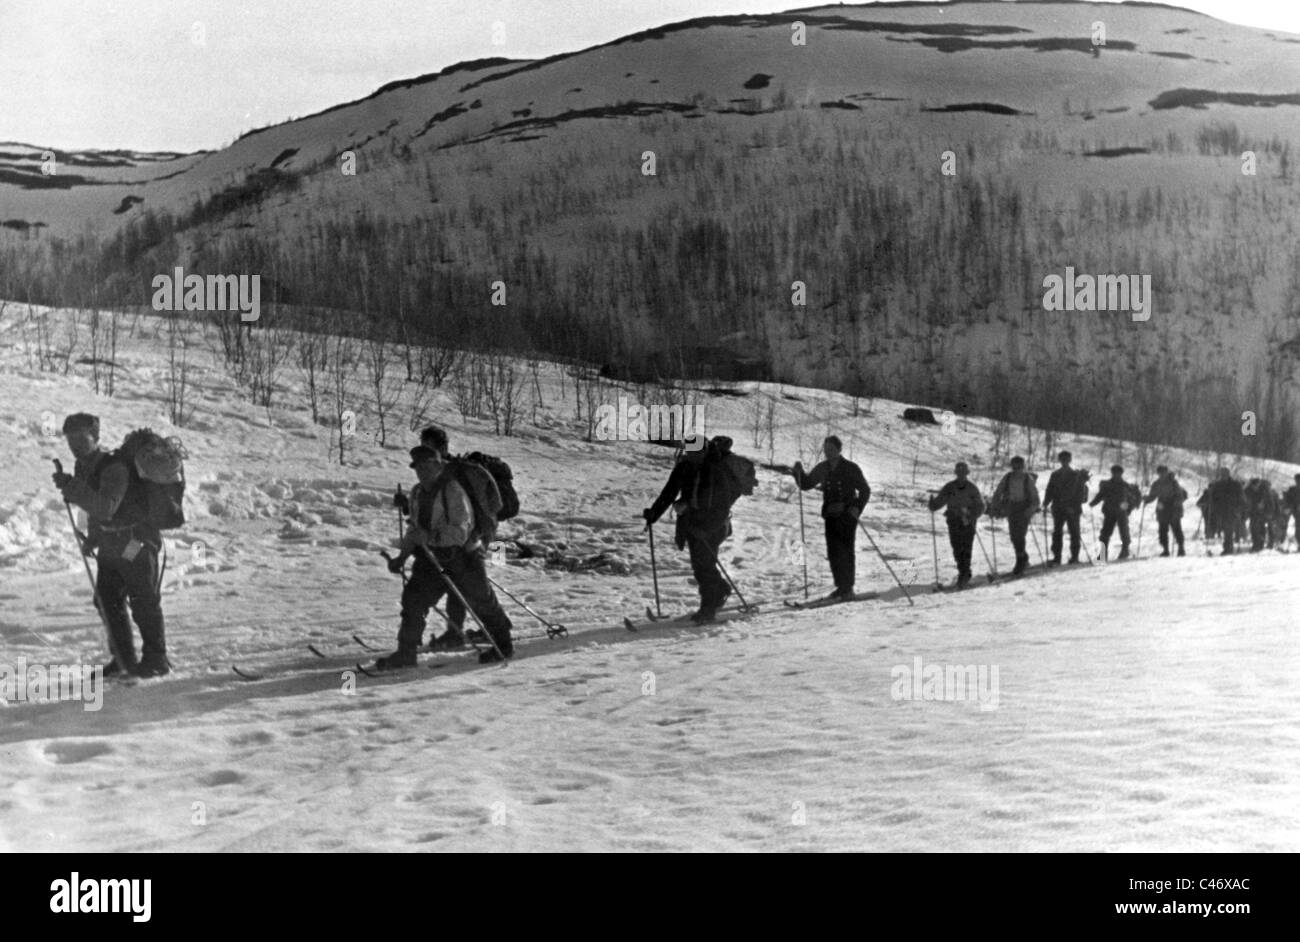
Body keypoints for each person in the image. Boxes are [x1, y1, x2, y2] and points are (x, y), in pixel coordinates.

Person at [378, 435, 514, 668]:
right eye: (418, 467)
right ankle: (406, 653)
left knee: (482, 602)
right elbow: (414, 529)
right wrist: (402, 557)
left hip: (464, 557)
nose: (422, 471)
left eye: (426, 466)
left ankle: (503, 645)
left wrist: (429, 538)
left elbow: (460, 532)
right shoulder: (418, 492)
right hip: (431, 559)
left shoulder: (453, 491)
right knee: (412, 601)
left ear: (438, 465)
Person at [53, 418, 170, 677]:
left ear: (96, 437)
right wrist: (93, 539)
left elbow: (106, 508)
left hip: (135, 541)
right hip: (111, 543)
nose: (74, 446)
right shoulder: (83, 466)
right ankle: (123, 658)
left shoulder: (114, 467)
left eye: (81, 439)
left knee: (142, 600)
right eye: (70, 440)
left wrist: (72, 487)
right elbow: (96, 511)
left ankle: (157, 659)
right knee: (106, 599)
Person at [644, 436, 749, 622]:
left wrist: (707, 528)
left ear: (704, 451)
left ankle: (708, 607)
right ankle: (720, 591)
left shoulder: (716, 470)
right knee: (701, 565)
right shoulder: (684, 467)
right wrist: (654, 513)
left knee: (704, 565)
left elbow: (722, 505)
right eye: (689, 452)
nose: (691, 456)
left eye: (695, 452)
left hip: (714, 525)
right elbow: (670, 491)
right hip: (692, 524)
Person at [792, 436, 872, 601]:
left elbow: (865, 490)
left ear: (839, 449)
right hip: (831, 515)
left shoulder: (850, 468)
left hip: (847, 516)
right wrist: (798, 473)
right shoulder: (823, 468)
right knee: (833, 551)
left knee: (846, 551)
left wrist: (857, 507)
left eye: (831, 449)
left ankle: (847, 588)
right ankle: (840, 587)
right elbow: (807, 484)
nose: (828, 453)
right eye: (826, 449)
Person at [928, 462, 985, 588]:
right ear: (956, 473)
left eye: (963, 473)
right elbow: (940, 501)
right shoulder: (950, 487)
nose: (961, 476)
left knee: (966, 547)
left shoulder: (972, 488)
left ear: (967, 473)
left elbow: (981, 506)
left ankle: (964, 574)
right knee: (956, 547)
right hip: (953, 520)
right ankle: (963, 571)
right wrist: (933, 504)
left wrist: (971, 515)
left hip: (968, 521)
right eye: (959, 473)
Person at [988, 456, 1040, 575]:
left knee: (1019, 536)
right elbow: (998, 492)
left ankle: (1020, 562)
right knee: (1013, 535)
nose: (1017, 470)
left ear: (1023, 467)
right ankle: (1024, 557)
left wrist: (1030, 511)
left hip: (1024, 509)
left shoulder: (1028, 479)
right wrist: (994, 506)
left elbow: (1035, 498)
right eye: (1014, 467)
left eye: (1019, 467)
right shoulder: (1008, 477)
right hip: (1012, 508)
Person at [1043, 451, 1089, 565]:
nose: (1064, 461)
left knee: (1074, 533)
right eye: (1062, 459)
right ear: (1060, 460)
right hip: (1058, 508)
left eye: (1066, 459)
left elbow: (1080, 494)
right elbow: (1050, 490)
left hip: (1073, 510)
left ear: (1070, 460)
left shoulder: (1076, 475)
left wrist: (1073, 507)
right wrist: (1045, 504)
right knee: (1057, 533)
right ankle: (1057, 557)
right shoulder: (1055, 475)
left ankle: (1074, 557)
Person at [1089, 464, 1139, 560]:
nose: (1116, 475)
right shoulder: (1107, 485)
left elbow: (1132, 499)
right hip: (1109, 512)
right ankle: (1103, 554)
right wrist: (1093, 503)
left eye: (1118, 473)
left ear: (1121, 473)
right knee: (1105, 534)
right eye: (1114, 473)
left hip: (1121, 513)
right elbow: (1101, 495)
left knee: (1124, 533)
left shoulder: (1126, 486)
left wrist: (1127, 508)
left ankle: (1125, 551)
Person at [1142, 465, 1187, 557]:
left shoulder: (1173, 483)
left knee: (1176, 528)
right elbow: (1153, 496)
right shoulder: (1156, 484)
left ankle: (1181, 548)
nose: (1162, 474)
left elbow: (1180, 496)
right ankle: (1165, 549)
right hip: (1162, 507)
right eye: (1160, 472)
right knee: (1162, 530)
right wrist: (1146, 499)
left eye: (1163, 472)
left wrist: (1176, 504)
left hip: (1173, 507)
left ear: (1166, 472)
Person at [1204, 468, 1247, 556]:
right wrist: (1211, 495)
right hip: (1221, 511)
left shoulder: (1235, 485)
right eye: (1222, 474)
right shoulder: (1218, 485)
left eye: (1224, 474)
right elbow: (1214, 498)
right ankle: (1228, 547)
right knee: (1225, 529)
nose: (1223, 476)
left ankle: (1228, 548)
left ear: (1228, 474)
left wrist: (1240, 509)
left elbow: (1241, 498)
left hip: (1232, 511)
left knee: (1228, 530)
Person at [1243, 478, 1277, 553]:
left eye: (1256, 486)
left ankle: (1260, 544)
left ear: (1259, 484)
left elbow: (1270, 503)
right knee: (1253, 528)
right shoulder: (1248, 490)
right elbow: (1245, 501)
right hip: (1253, 512)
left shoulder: (1265, 491)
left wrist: (1269, 512)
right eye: (1253, 486)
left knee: (1261, 528)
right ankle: (1256, 544)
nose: (1255, 488)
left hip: (1263, 512)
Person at [1280, 474, 1300, 550]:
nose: (1298, 482)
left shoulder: (1292, 489)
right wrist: (1287, 507)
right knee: (1296, 528)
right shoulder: (1292, 489)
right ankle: (1297, 544)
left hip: (1295, 511)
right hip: (1294, 511)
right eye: (1297, 480)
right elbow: (1287, 500)